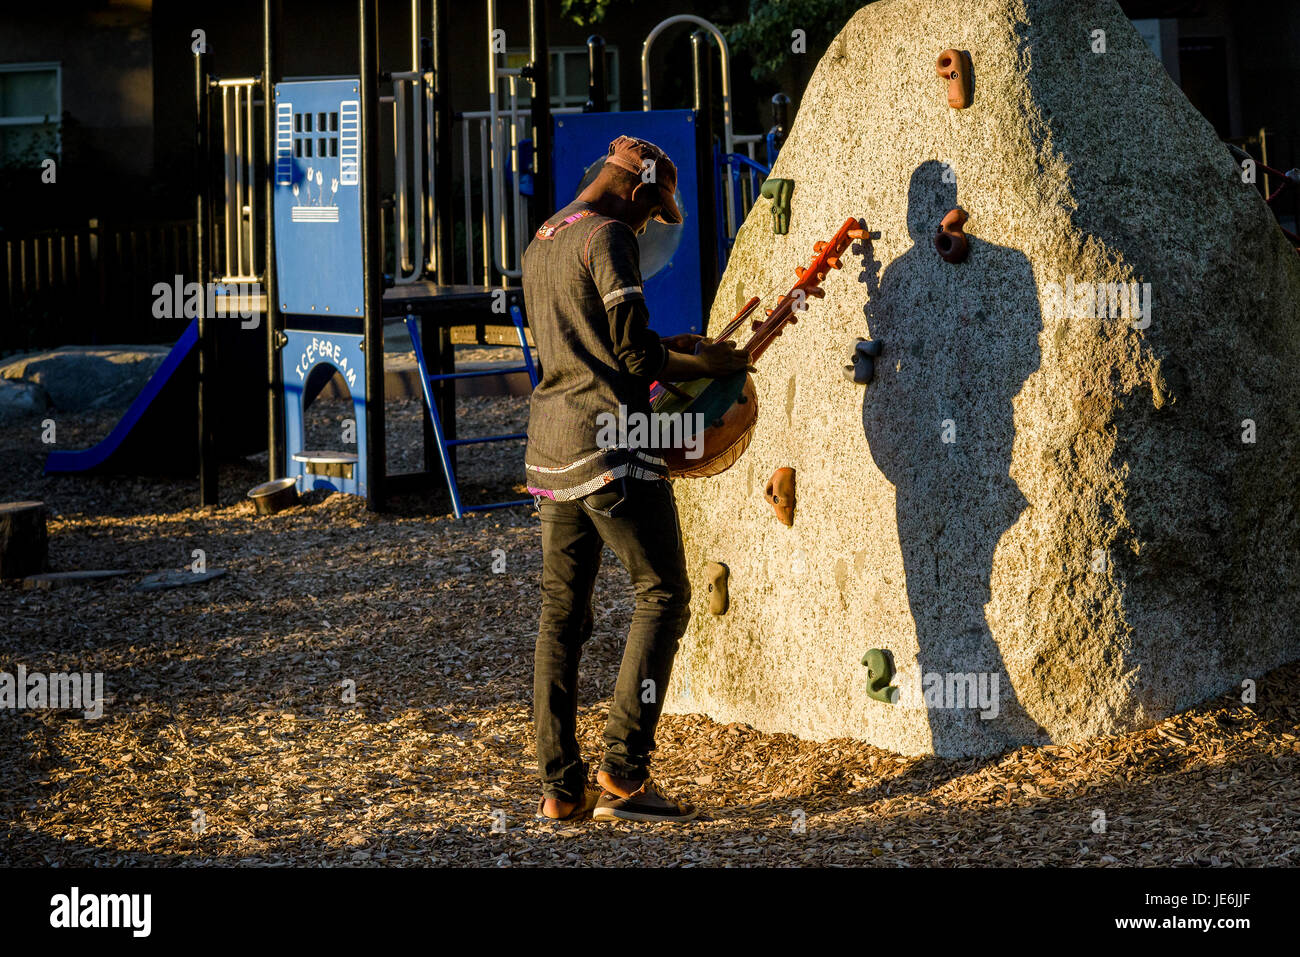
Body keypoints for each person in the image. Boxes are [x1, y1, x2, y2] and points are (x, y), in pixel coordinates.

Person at [523, 135, 750, 823]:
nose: (649, 226)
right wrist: (706, 365)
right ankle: (623, 773)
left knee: (561, 618)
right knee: (664, 595)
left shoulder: (546, 236)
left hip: (551, 449)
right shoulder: (609, 235)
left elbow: (589, 340)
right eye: (652, 211)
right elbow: (631, 355)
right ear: (635, 190)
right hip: (613, 445)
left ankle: (561, 789)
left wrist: (667, 345)